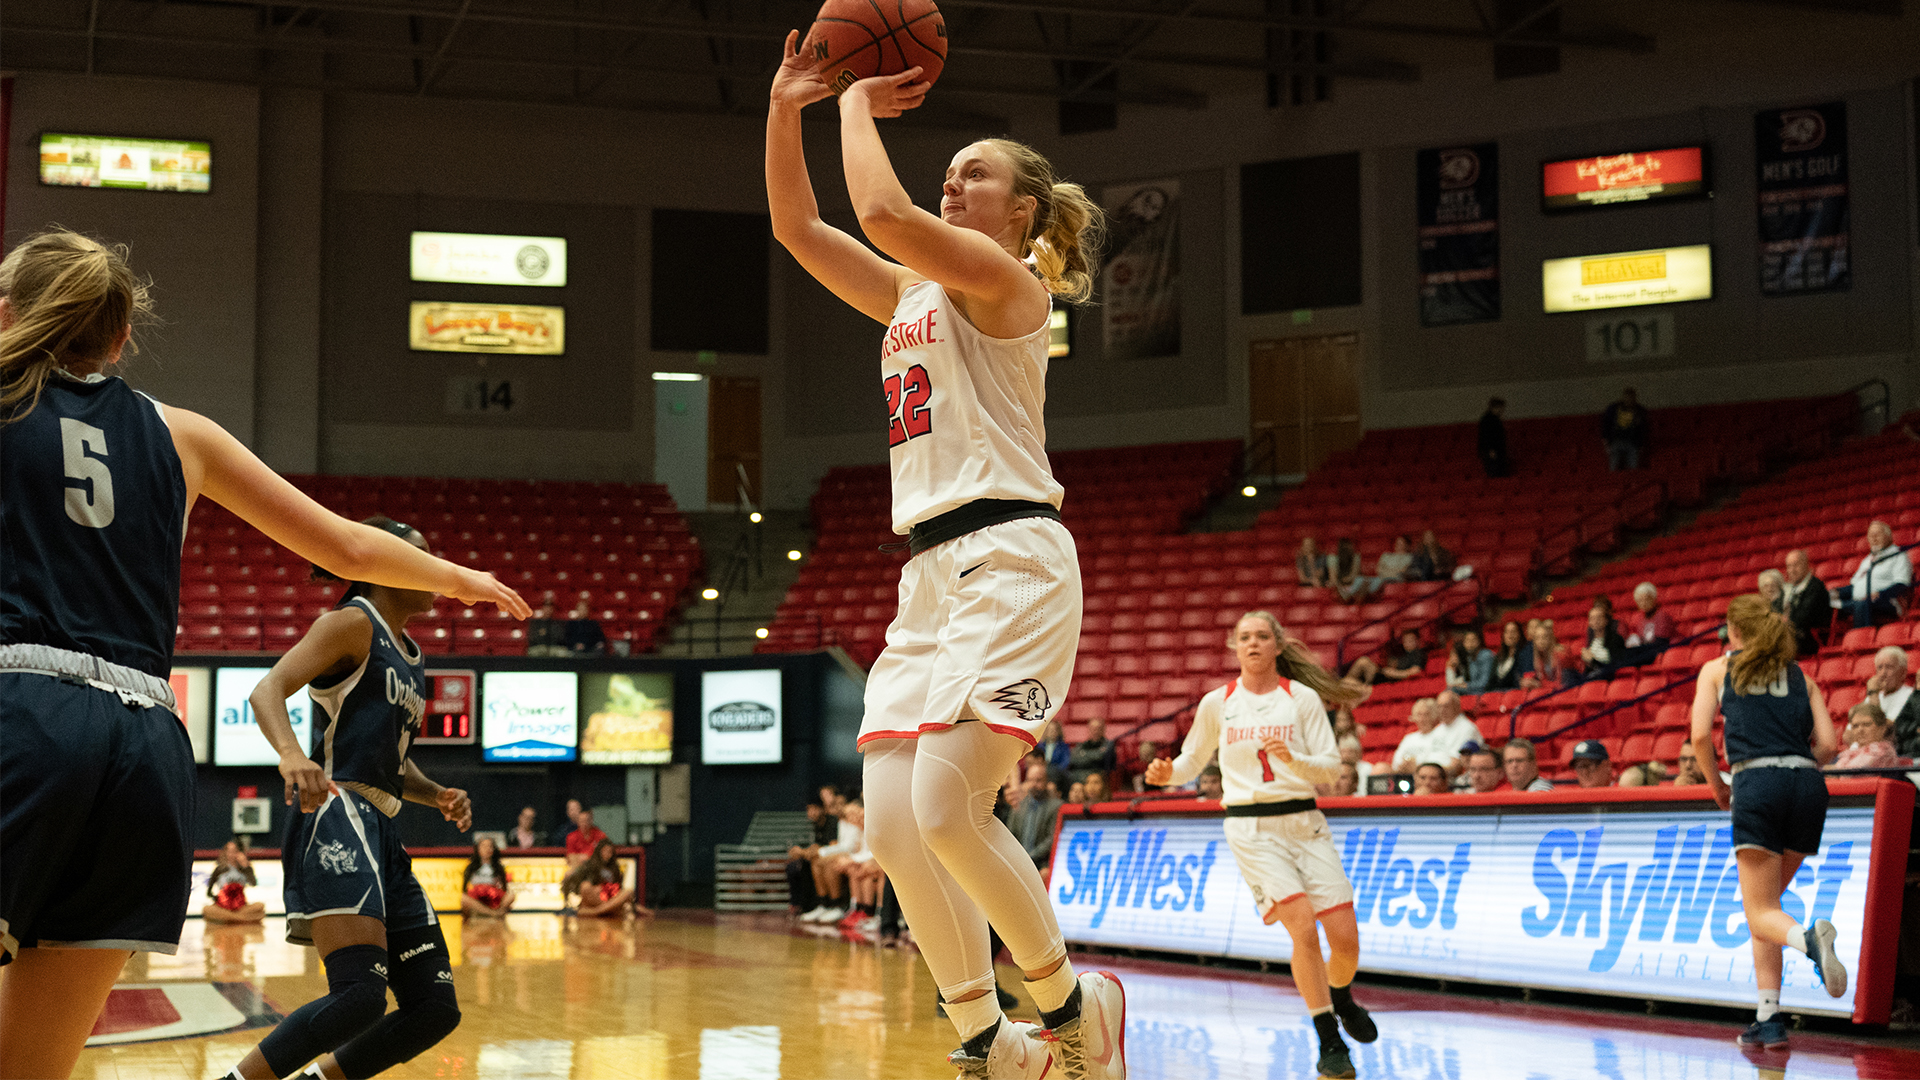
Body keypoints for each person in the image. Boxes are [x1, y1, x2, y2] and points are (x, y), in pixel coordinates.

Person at [0, 229, 525, 1080]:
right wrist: (460, 576)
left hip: (21, 713)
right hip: (143, 747)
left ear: (9, 317)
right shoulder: (183, 435)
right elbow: (351, 547)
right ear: (124, 335)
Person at [222, 516, 487, 1080]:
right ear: (384, 566)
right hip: (337, 813)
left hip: (383, 827)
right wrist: (292, 755)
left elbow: (390, 759)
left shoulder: (412, 655)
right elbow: (266, 689)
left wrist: (436, 792)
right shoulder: (351, 623)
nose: (435, 571)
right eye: (421, 558)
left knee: (434, 1010)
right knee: (359, 996)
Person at [1146, 612, 1375, 1079]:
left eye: (1262, 636)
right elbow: (1192, 759)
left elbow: (1331, 769)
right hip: (1251, 830)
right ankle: (1329, 1040)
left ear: (1277, 645)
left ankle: (1343, 994)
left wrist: (1295, 759)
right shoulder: (1218, 702)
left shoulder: (1302, 698)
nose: (1253, 643)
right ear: (1235, 647)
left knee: (1346, 943)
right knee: (1304, 932)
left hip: (1306, 822)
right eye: (1245, 637)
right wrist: (1170, 775)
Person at [1690, 593, 1847, 1048]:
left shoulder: (1718, 669)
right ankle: (1769, 1016)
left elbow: (1700, 735)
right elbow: (1830, 748)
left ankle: (1811, 944)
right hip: (1807, 785)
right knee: (1766, 908)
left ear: (1735, 631)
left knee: (1761, 912)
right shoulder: (1803, 676)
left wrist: (1717, 786)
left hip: (1757, 783)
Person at [799, 797, 867, 924]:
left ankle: (838, 906)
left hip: (854, 858)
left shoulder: (861, 826)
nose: (851, 816)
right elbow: (843, 846)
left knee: (830, 863)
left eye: (854, 814)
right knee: (817, 862)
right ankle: (824, 904)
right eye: (849, 814)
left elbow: (848, 847)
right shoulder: (843, 823)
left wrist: (823, 852)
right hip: (852, 857)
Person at [1837, 521, 1912, 629]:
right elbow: (1854, 586)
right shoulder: (1867, 560)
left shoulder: (1898, 555)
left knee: (1861, 604)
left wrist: (1880, 594)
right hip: (1859, 601)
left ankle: (1862, 642)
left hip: (1888, 601)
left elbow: (1902, 585)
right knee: (1827, 605)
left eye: (1878, 535)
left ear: (1888, 536)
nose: (1874, 539)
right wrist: (1836, 593)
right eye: (1871, 536)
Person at [1866, 646, 1920, 756]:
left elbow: (1886, 730)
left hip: (1891, 755)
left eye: (1889, 667)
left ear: (1903, 673)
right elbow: (1848, 733)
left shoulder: (1910, 696)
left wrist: (1873, 694)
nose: (1883, 673)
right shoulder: (1872, 697)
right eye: (1879, 668)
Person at [565, 839, 638, 918]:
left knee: (628, 893)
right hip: (595, 896)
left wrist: (608, 889)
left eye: (609, 852)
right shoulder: (591, 865)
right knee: (585, 886)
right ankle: (609, 910)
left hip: (609, 897)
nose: (607, 854)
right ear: (599, 851)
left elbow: (618, 888)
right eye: (604, 851)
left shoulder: (615, 869)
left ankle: (596, 912)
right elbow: (583, 885)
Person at [1780, 550, 1832, 656]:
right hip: (1788, 633)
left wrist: (1783, 621)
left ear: (1806, 565)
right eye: (1789, 566)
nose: (1792, 570)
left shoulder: (1815, 586)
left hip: (1809, 637)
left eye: (1796, 565)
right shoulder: (1787, 588)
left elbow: (1804, 617)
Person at [1009, 772, 1065, 870]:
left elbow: (1052, 839)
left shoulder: (1056, 806)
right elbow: (1010, 834)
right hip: (1018, 861)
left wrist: (1029, 857)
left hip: (1043, 863)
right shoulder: (1019, 805)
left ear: (1046, 782)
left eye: (1038, 780)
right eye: (1031, 780)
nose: (1034, 784)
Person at [202, 840, 266, 925]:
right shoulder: (219, 869)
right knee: (207, 909)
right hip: (223, 908)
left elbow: (253, 883)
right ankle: (240, 919)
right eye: (229, 851)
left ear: (239, 853)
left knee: (260, 906)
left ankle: (230, 919)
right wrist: (219, 899)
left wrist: (246, 866)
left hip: (241, 907)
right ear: (225, 853)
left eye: (234, 851)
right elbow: (209, 892)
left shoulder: (245, 869)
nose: (231, 854)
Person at [1343, 628, 1427, 686]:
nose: (1407, 643)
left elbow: (1416, 671)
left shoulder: (1418, 654)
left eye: (1410, 640)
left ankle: (1341, 686)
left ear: (1418, 641)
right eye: (1405, 641)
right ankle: (1342, 685)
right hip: (1385, 675)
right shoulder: (1403, 653)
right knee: (1350, 680)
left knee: (1363, 661)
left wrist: (1393, 673)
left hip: (1390, 679)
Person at [1618, 582, 1675, 668]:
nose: (1643, 603)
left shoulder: (1662, 616)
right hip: (1646, 649)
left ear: (1654, 599)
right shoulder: (1640, 619)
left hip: (1658, 649)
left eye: (1646, 599)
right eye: (1640, 600)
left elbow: (1661, 642)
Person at [1829, 701, 1898, 771]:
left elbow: (1851, 772)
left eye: (1866, 724)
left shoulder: (1883, 751)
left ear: (1882, 729)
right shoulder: (1849, 753)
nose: (1860, 730)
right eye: (1855, 726)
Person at [460, 837, 513, 918]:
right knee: (463, 898)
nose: (487, 849)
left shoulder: (499, 867)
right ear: (478, 849)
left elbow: (504, 888)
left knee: (511, 895)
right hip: (476, 898)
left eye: (490, 846)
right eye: (484, 846)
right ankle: (493, 914)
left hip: (494, 897)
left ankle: (496, 912)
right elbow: (464, 889)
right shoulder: (471, 867)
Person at [1600, 387, 1649, 471]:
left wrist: (1641, 444)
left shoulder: (1640, 411)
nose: (1629, 400)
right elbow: (1606, 424)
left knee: (1633, 468)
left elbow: (1643, 429)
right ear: (1623, 397)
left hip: (1632, 442)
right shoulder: (1614, 409)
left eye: (1631, 398)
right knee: (1613, 467)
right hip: (1616, 440)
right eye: (1627, 398)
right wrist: (1606, 441)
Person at [1578, 604, 1627, 680]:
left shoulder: (1616, 639)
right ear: (1589, 622)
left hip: (1606, 676)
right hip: (1591, 677)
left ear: (1606, 621)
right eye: (1592, 618)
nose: (1596, 621)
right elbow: (1589, 668)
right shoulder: (1591, 641)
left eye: (1599, 618)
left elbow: (1613, 665)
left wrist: (1592, 660)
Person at [1444, 629, 1495, 696]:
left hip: (1485, 692)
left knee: (1451, 692)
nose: (1470, 644)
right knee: (1449, 691)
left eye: (1473, 640)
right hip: (1472, 691)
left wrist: (1467, 686)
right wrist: (1451, 670)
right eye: (1467, 641)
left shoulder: (1486, 655)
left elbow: (1484, 683)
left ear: (1479, 642)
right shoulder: (1468, 658)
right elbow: (1465, 680)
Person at [1068, 717, 1118, 784]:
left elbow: (1099, 757)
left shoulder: (1109, 744)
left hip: (1098, 775)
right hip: (1078, 774)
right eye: (1093, 729)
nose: (1095, 731)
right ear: (1088, 730)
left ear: (1103, 730)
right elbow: (1073, 759)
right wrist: (1092, 756)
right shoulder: (1082, 744)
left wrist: (1083, 754)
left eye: (1098, 729)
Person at [1521, 621, 1566, 688]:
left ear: (1550, 639)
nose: (1540, 641)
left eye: (1544, 637)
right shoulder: (1538, 658)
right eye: (1537, 638)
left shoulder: (1560, 655)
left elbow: (1562, 685)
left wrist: (1539, 684)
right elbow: (1543, 681)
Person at [1488, 621, 1525, 691]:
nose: (1510, 635)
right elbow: (1491, 682)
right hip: (1497, 696)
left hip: (1514, 696)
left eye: (1513, 632)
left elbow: (1518, 683)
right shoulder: (1498, 656)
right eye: (1507, 632)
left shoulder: (1523, 656)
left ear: (1519, 634)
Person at [1478, 397, 1510, 477]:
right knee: (1494, 471)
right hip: (1492, 450)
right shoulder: (1487, 420)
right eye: (1500, 408)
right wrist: (1490, 449)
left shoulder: (1496, 419)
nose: (1502, 410)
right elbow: (1485, 436)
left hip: (1498, 449)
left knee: (1500, 471)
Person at [1330, 538, 1364, 603]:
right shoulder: (1333, 558)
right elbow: (1333, 578)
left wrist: (1347, 580)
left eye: (1350, 547)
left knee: (1361, 580)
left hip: (1352, 584)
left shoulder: (1356, 558)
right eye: (1345, 548)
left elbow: (1354, 575)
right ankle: (1345, 596)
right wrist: (1341, 583)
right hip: (1339, 583)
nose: (1348, 549)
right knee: (1331, 584)